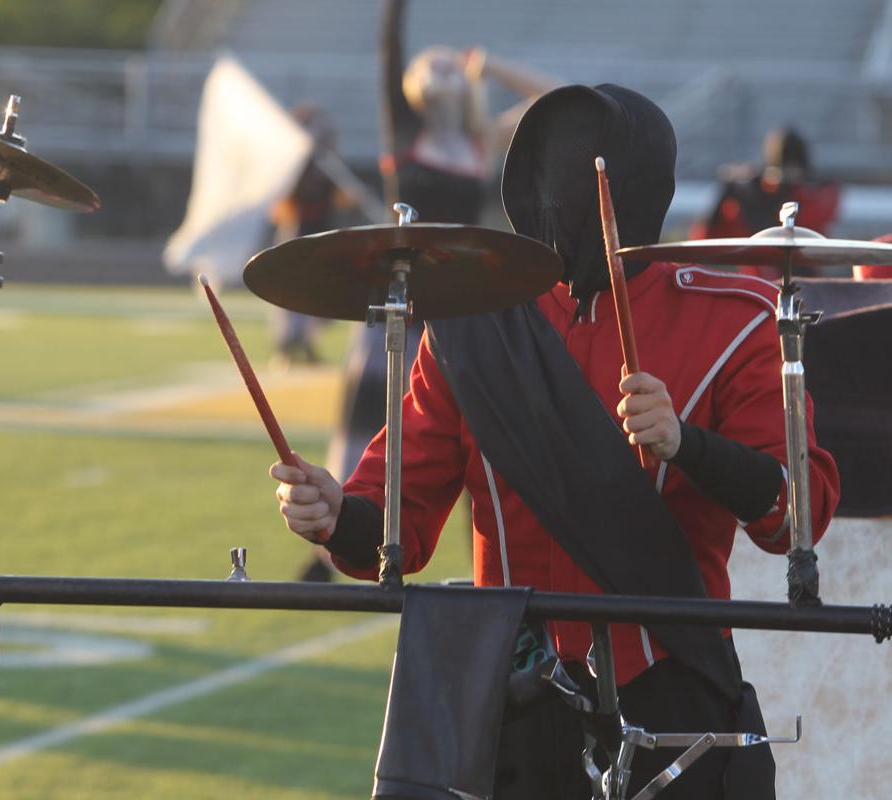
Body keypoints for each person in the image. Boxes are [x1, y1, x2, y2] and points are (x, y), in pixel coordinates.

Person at [271, 84, 840, 798]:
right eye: (550, 173)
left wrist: (687, 444)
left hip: (671, 688)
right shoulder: (475, 325)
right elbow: (397, 524)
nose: (559, 202)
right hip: (507, 701)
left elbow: (796, 516)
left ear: (642, 187)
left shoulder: (734, 320)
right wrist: (334, 514)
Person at [297, 0, 558, 582]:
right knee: (368, 428)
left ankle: (484, 566)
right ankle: (331, 545)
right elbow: (388, 51)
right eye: (429, 63)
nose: (440, 66)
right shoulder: (405, 130)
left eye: (449, 63)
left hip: (459, 310)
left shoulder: (482, 139)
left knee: (465, 436)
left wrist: (493, 66)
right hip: (397, 303)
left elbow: (556, 101)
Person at [691, 126, 840, 280]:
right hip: (759, 285)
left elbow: (813, 218)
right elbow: (703, 240)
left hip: (807, 284)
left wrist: (781, 193)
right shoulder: (749, 197)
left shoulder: (816, 194)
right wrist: (728, 193)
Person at [267, 104, 353, 368]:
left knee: (318, 290)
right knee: (290, 290)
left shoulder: (329, 161)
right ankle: (285, 344)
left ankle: (307, 342)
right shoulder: (295, 162)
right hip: (297, 229)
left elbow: (339, 196)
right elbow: (285, 196)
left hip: (322, 230)